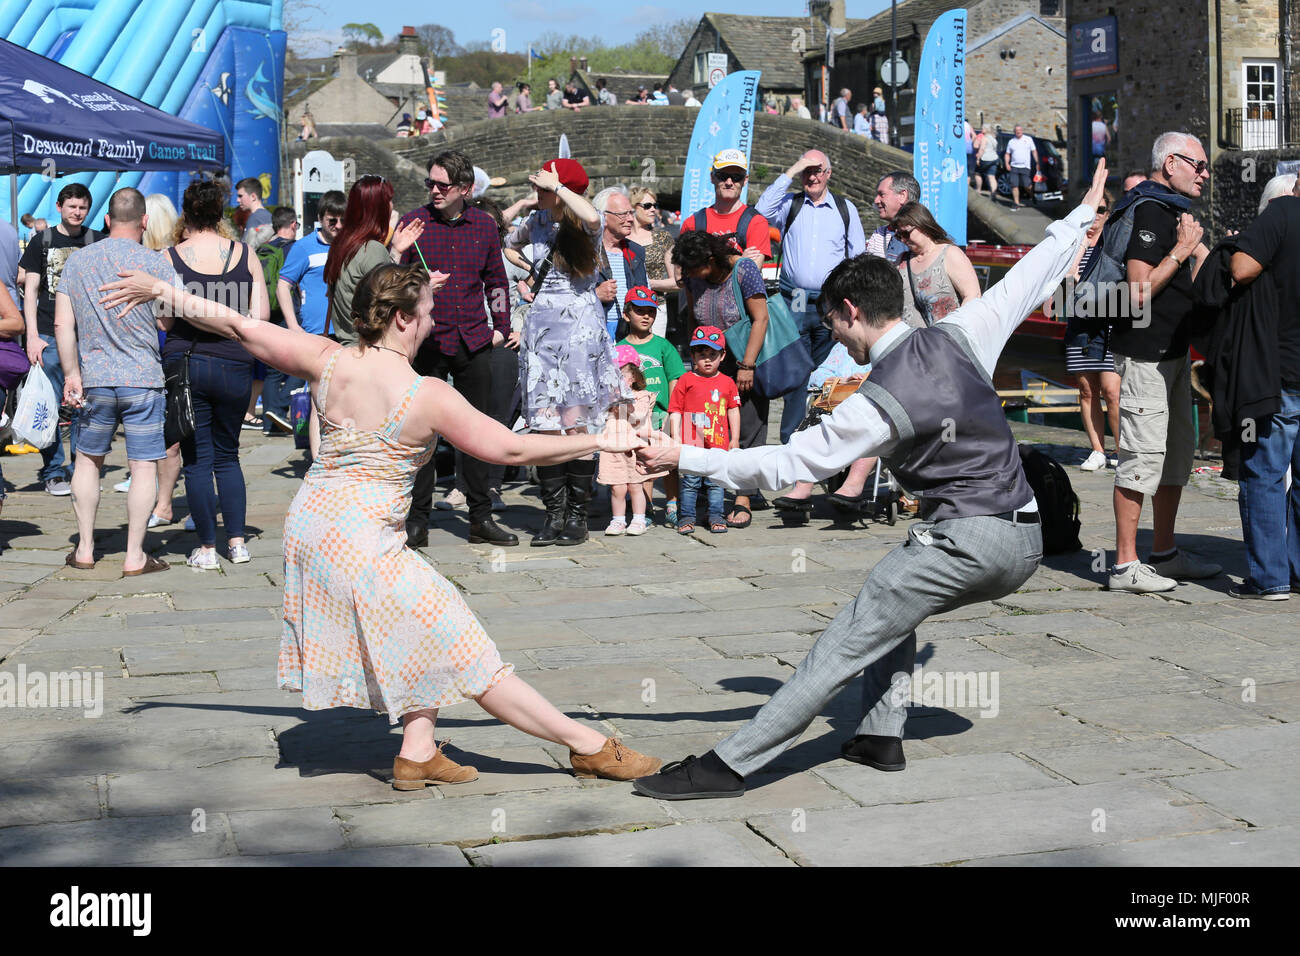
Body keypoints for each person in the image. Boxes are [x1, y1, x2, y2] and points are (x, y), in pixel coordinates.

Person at [629, 160, 1112, 801]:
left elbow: (785, 465)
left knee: (848, 635)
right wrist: (1080, 215)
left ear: (852, 311)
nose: (833, 333)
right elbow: (1032, 274)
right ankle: (881, 734)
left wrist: (684, 458)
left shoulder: (873, 401)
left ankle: (729, 766)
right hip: (1028, 537)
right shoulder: (964, 332)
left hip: (969, 539)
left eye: (832, 322)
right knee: (894, 603)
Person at [100, 261, 662, 786]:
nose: (434, 322)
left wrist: (162, 291)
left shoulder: (328, 358)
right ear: (402, 318)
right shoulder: (428, 395)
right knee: (467, 648)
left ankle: (417, 752)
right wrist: (599, 438)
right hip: (362, 541)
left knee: (420, 629)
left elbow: (240, 325)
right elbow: (510, 450)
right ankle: (587, 745)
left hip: (314, 530)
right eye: (427, 313)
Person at [1106, 132, 1219, 593]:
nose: (1206, 174)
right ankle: (1123, 565)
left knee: (1175, 457)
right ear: (1171, 163)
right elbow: (1136, 293)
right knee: (1141, 457)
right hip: (1144, 356)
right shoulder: (1150, 210)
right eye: (1199, 164)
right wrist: (1182, 249)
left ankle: (1165, 552)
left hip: (1174, 354)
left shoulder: (1173, 210)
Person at [398, 150, 517, 548]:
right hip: (427, 340)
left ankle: (480, 517)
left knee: (477, 431)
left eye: (442, 185)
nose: (433, 190)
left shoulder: (484, 225)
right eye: (429, 183)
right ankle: (417, 520)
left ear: (464, 189)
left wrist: (501, 327)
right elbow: (391, 281)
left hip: (473, 339)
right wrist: (417, 285)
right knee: (422, 434)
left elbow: (496, 281)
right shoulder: (413, 224)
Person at [53, 187, 174, 576]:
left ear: (106, 220)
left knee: (87, 462)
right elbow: (166, 322)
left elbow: (62, 324)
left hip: (95, 380)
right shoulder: (156, 263)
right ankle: (134, 554)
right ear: (144, 222)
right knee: (142, 467)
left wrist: (72, 373)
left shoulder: (78, 262)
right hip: (143, 378)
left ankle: (85, 548)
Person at [507, 158, 626, 546]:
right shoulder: (536, 223)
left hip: (579, 332)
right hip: (542, 332)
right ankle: (552, 514)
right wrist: (528, 269)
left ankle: (576, 515)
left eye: (542, 188)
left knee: (576, 425)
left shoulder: (583, 228)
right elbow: (507, 244)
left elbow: (593, 217)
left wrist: (558, 189)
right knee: (545, 426)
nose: (537, 193)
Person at [164, 179, 270, 570]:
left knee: (195, 460)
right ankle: (238, 542)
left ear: (186, 214)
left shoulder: (170, 258)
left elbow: (164, 318)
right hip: (235, 364)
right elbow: (259, 318)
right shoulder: (246, 254)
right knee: (228, 456)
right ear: (221, 213)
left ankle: (207, 547)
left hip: (188, 365)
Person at [757, 149, 866, 443]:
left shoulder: (845, 209)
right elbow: (760, 211)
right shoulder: (790, 205)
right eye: (808, 171)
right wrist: (793, 168)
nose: (813, 176)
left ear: (829, 174)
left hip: (832, 302)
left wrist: (855, 302)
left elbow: (857, 258)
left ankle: (825, 438)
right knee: (796, 368)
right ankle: (791, 441)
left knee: (828, 370)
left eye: (818, 170)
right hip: (796, 298)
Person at [1226, 182, 1300, 599]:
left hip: (1282, 373)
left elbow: (1241, 269)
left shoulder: (1284, 212)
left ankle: (1270, 577)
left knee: (1265, 474)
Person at [672, 229, 769, 529]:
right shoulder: (692, 278)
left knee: (747, 428)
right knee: (702, 426)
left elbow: (760, 318)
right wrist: (694, 358)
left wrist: (747, 365)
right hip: (706, 360)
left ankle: (743, 497)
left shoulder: (744, 270)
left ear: (711, 260)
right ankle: (703, 490)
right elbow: (692, 317)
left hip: (743, 360)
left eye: (693, 267)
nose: (688, 274)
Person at [20, 182, 100, 496]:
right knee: (50, 405)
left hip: (88, 336)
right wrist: (32, 337)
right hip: (48, 334)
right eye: (72, 207)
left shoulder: (96, 240)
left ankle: (81, 467)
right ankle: (53, 472)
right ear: (59, 207)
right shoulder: (43, 240)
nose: (77, 213)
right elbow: (31, 292)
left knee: (85, 405)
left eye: (82, 207)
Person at [115, 193, 185, 529]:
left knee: (164, 433)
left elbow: (163, 319)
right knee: (160, 430)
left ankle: (161, 501)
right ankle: (158, 497)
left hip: (152, 350)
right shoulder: (163, 259)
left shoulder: (158, 260)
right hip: (158, 348)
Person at [1051, 188, 1119, 472]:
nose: (1095, 217)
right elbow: (1061, 300)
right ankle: (1097, 450)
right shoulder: (1071, 246)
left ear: (1108, 214)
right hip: (1079, 327)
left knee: (1112, 391)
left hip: (1110, 326)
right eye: (1090, 210)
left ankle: (1122, 450)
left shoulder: (1113, 245)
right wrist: (1080, 248)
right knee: (1086, 390)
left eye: (1101, 210)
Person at [771, 341, 878, 515]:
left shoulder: (885, 348)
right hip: (834, 405)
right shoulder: (842, 347)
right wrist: (840, 380)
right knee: (808, 431)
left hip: (868, 407)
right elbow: (817, 377)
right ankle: (803, 488)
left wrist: (866, 379)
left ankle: (853, 485)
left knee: (871, 427)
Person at [279, 191, 346, 457]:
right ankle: (318, 459)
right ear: (320, 219)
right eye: (332, 221)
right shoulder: (304, 248)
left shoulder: (349, 245)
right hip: (316, 333)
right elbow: (284, 286)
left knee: (343, 397)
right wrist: (293, 326)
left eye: (343, 221)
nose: (338, 227)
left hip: (346, 331)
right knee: (319, 397)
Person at [324, 175, 423, 349]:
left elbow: (370, 284)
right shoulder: (372, 249)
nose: (392, 206)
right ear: (379, 207)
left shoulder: (342, 244)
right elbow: (390, 302)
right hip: (368, 350)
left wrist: (395, 251)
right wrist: (427, 286)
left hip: (347, 347)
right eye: (389, 200)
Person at [617, 285, 683, 523]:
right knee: (640, 462)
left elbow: (675, 378)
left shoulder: (663, 346)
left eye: (651, 311)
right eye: (640, 310)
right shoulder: (619, 349)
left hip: (661, 414)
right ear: (626, 314)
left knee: (669, 460)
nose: (646, 316)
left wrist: (672, 411)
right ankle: (643, 507)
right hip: (633, 417)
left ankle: (673, 503)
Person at [669, 326, 740, 535]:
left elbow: (733, 410)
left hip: (718, 443)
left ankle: (716, 515)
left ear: (723, 356)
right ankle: (687, 517)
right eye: (702, 355)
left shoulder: (727, 382)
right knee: (690, 483)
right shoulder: (686, 380)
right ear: (692, 355)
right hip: (691, 442)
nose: (707, 360)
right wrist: (675, 438)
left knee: (716, 483)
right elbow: (675, 411)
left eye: (713, 355)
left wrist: (734, 438)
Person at [599, 345, 665, 535]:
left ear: (634, 376)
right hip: (613, 448)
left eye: (622, 375)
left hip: (634, 446)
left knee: (636, 486)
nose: (618, 381)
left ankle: (638, 519)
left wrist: (624, 400)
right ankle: (618, 520)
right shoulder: (610, 397)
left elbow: (638, 417)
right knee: (617, 488)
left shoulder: (641, 396)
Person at [676, 149, 772, 270]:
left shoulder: (756, 222)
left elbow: (750, 275)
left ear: (745, 180)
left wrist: (704, 261)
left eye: (736, 177)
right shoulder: (692, 223)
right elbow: (681, 276)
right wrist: (737, 260)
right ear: (712, 177)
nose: (729, 182)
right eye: (723, 176)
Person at [893, 202, 981, 329]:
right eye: (898, 236)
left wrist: (953, 334)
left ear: (922, 225)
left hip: (943, 344)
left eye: (906, 234)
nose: (903, 240)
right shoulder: (901, 261)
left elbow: (973, 296)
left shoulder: (950, 254)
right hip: (909, 345)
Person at [259, 206, 301, 435]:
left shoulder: (262, 249)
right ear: (293, 224)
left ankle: (269, 425)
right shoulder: (293, 249)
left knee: (272, 371)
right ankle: (278, 407)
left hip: (268, 314)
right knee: (299, 366)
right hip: (289, 315)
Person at [595, 191, 648, 339]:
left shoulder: (636, 252)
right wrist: (595, 295)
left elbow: (645, 293)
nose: (631, 219)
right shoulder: (584, 253)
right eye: (623, 214)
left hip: (630, 332)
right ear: (603, 217)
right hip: (594, 329)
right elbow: (564, 297)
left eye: (631, 213)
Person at [865, 171, 919, 264]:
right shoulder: (879, 234)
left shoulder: (925, 236)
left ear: (902, 196)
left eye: (882, 194)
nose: (876, 200)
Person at [1003, 125, 1038, 210]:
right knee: (1014, 185)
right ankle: (1016, 203)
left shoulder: (1028, 139)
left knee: (1027, 185)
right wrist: (1007, 163)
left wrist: (1037, 162)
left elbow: (1034, 151)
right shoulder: (1011, 141)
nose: (1018, 131)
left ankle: (1032, 195)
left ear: (1022, 131)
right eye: (1016, 130)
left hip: (1025, 166)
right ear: (1014, 132)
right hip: (1014, 166)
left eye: (1020, 130)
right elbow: (1007, 154)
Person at [236, 178, 273, 248]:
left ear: (253, 196)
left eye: (240, 196)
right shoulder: (264, 216)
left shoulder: (256, 217)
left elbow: (248, 251)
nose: (237, 200)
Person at [973, 124, 999, 196]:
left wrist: (978, 159)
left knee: (977, 173)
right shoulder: (994, 138)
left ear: (986, 129)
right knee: (991, 176)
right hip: (994, 158)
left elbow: (982, 149)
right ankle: (993, 193)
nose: (982, 130)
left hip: (985, 158)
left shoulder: (984, 138)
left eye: (983, 128)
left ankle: (978, 190)